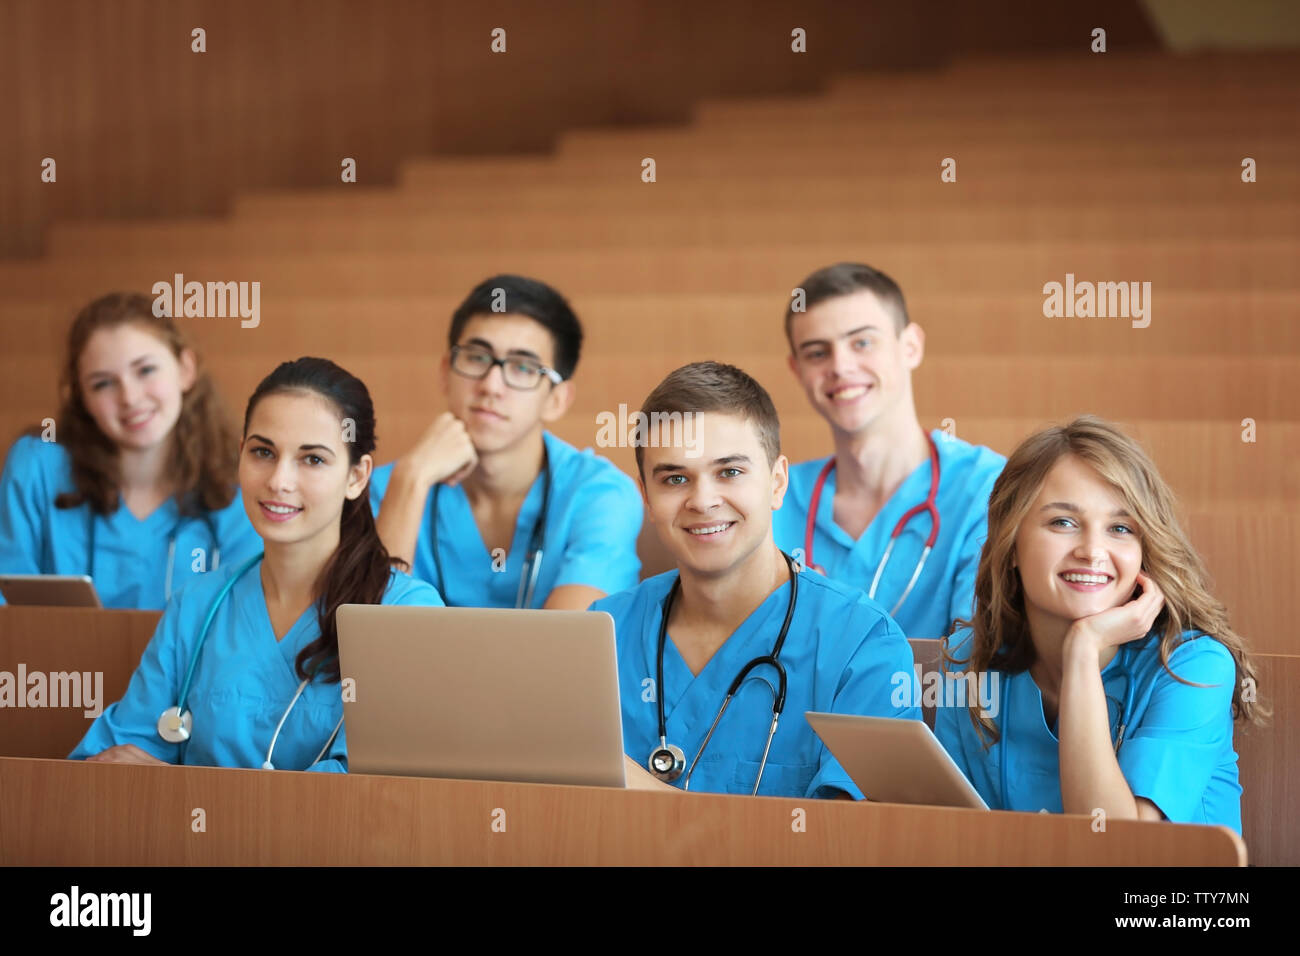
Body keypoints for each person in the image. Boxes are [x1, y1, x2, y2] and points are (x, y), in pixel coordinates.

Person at [69, 357, 443, 771]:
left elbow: (372, 791)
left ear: (356, 476)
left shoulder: (405, 613)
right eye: (263, 452)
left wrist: (183, 788)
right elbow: (113, 759)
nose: (279, 480)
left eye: (313, 459)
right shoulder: (197, 605)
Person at [592, 362, 920, 799]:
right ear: (647, 499)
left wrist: (651, 796)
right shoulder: (602, 633)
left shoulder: (863, 645)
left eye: (729, 472)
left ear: (777, 483)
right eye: (675, 478)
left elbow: (849, 846)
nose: (703, 500)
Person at [934, 417, 1264, 832]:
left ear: (1144, 551)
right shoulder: (969, 659)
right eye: (1063, 523)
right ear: (1011, 543)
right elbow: (952, 837)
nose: (1092, 551)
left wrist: (1084, 649)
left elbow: (1119, 847)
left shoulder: (1195, 667)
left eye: (1120, 528)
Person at [371, 274, 642, 610]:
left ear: (557, 398)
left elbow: (569, 651)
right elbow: (368, 644)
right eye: (476, 357)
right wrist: (411, 479)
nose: (491, 385)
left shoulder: (599, 493)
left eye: (524, 368)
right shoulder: (387, 490)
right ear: (445, 372)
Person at [772, 263, 1006, 638]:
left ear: (910, 346)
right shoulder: (774, 496)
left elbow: (971, 662)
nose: (841, 366)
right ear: (796, 369)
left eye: (862, 342)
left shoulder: (985, 488)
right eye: (817, 353)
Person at [0, 292, 260, 608]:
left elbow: (244, 628)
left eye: (146, 370)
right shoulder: (37, 467)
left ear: (185, 369)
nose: (130, 398)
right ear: (81, 398)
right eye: (103, 384)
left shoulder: (240, 488)